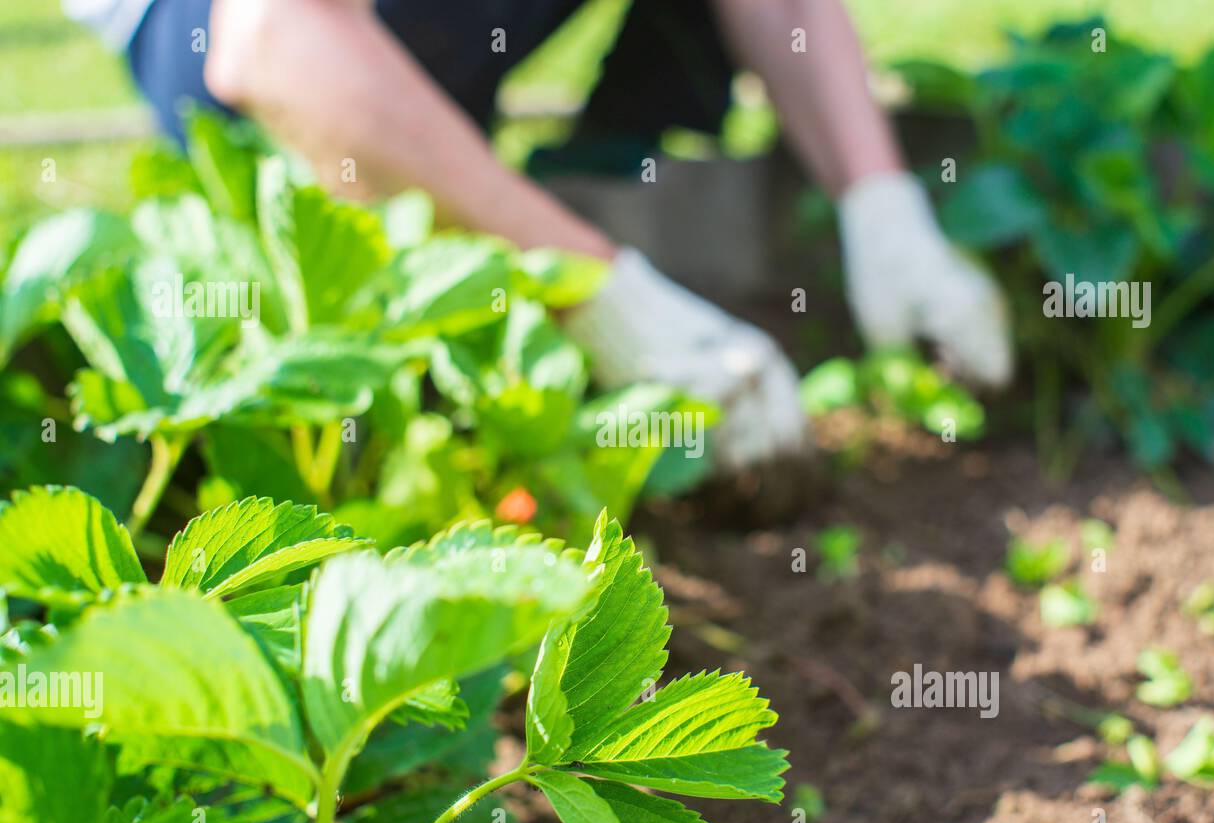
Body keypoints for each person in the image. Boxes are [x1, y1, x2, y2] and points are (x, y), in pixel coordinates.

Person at [65, 0, 1013, 471]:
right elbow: (271, 39)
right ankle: (515, 256)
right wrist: (601, 291)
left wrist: (880, 202)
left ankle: (588, 202)